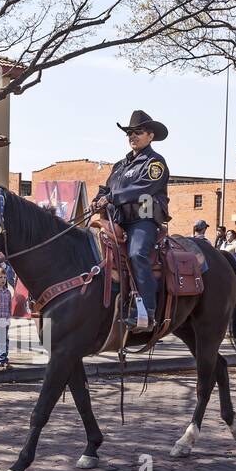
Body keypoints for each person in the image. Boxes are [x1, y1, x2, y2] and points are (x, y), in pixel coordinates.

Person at [91, 109, 170, 330]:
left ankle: (147, 312)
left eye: (138, 132)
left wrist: (111, 197)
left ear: (150, 136)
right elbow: (106, 188)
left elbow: (142, 188)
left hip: (143, 219)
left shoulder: (155, 163)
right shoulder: (120, 165)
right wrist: (97, 200)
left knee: (137, 254)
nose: (132, 136)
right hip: (118, 219)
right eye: (129, 133)